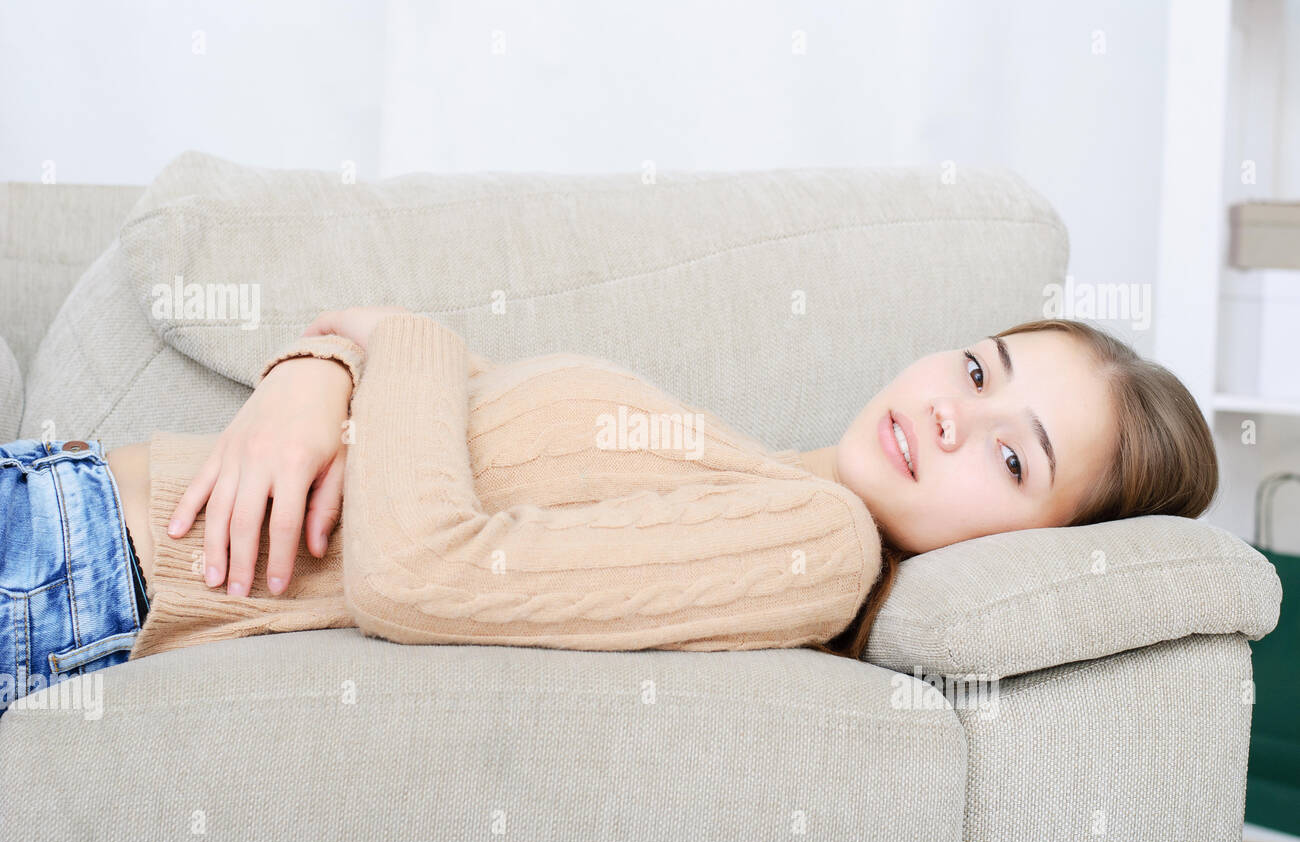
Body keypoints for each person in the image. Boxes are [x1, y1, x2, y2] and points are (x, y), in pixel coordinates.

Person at [0, 307, 1218, 714]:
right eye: (976, 368)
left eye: (1015, 464)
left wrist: (401, 336)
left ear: (1038, 552)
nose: (959, 415)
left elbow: (419, 573)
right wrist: (307, 374)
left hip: (85, 568)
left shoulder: (816, 547)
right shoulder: (754, 470)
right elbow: (415, 410)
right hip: (66, 504)